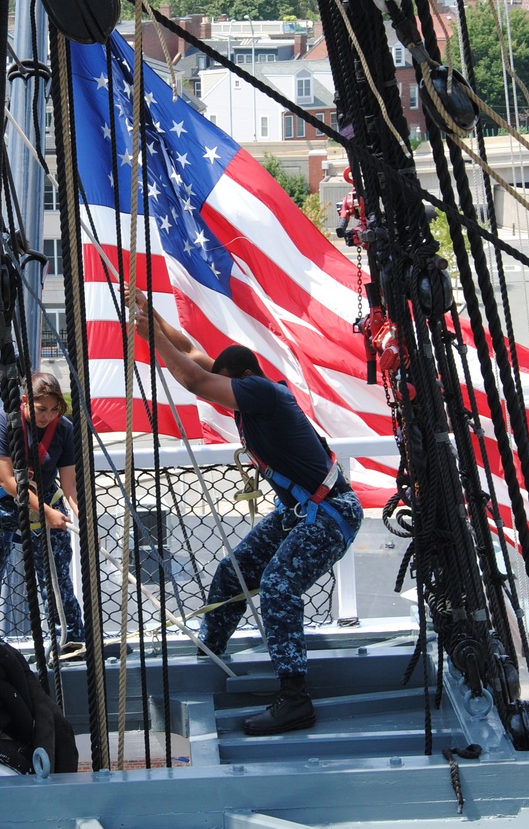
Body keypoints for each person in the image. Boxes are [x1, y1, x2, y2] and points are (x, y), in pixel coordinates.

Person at [137, 300, 363, 735]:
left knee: (279, 586)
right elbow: (195, 352)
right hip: (301, 512)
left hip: (329, 513)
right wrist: (155, 318)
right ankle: (211, 655)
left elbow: (195, 378)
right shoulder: (248, 397)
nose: (225, 401)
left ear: (243, 379)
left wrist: (153, 340)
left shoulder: (263, 392)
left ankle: (295, 699)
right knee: (233, 573)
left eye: (229, 389)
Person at [0, 373, 86, 659]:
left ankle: (70, 641)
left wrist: (80, 517)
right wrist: (46, 513)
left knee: (57, 580)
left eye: (54, 409)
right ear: (24, 402)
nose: (48, 415)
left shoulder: (64, 428)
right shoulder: (3, 421)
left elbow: (69, 483)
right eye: (41, 409)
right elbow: (6, 478)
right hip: (5, 509)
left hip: (46, 504)